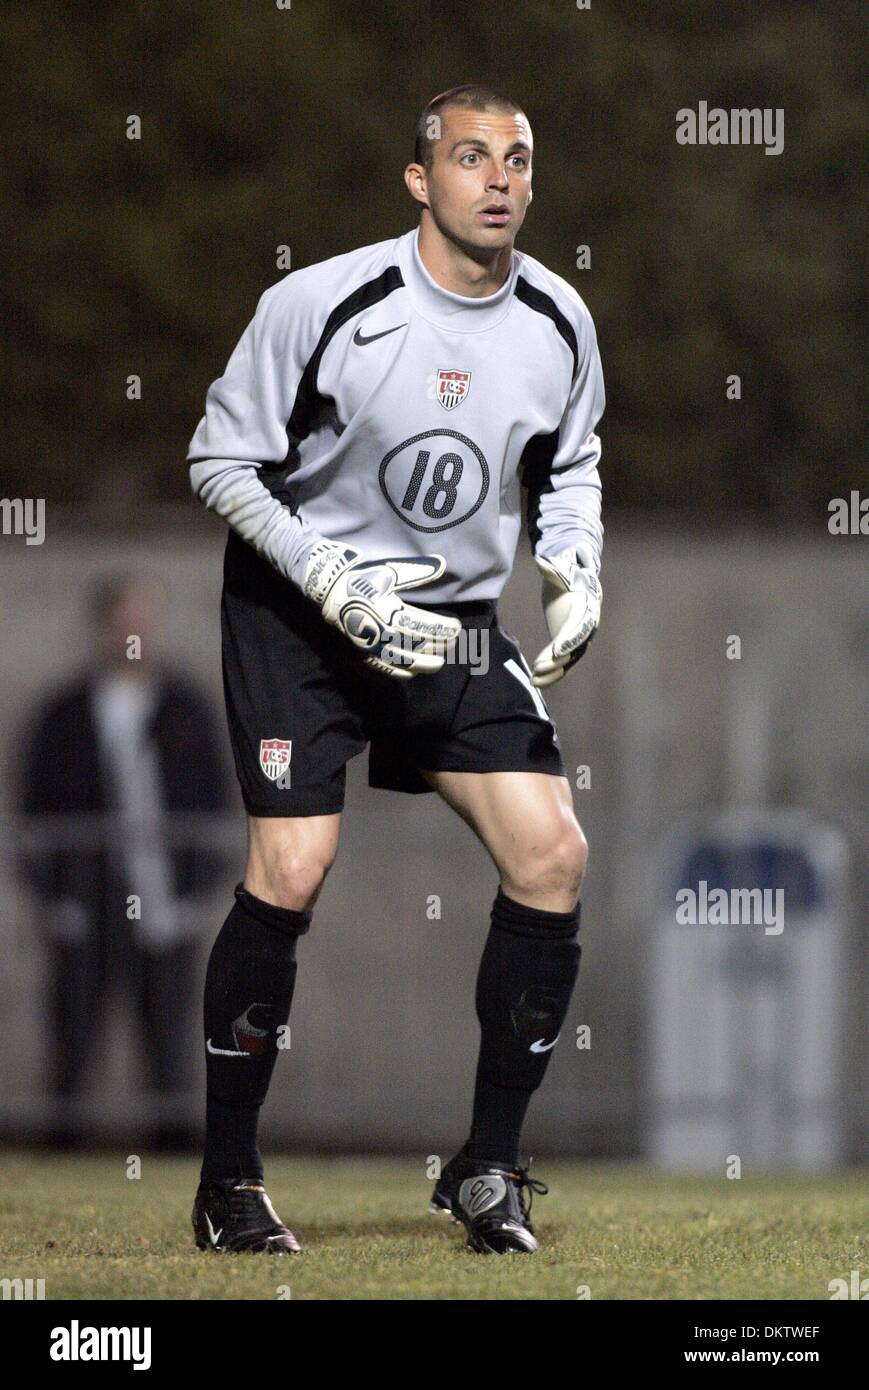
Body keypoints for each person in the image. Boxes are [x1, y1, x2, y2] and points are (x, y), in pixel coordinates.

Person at [186, 84, 605, 1255]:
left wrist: (572, 562)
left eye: (517, 158)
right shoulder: (321, 302)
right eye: (470, 157)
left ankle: (485, 1170)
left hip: (451, 620)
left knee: (552, 853)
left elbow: (570, 459)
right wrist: (326, 575)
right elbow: (220, 457)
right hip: (299, 613)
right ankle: (227, 1184)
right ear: (420, 179)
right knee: (294, 860)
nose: (499, 178)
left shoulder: (559, 317)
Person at [18, 575, 229, 1151]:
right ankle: (59, 1173)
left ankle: (178, 1171)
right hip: (88, 914)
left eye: (146, 617)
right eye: (124, 618)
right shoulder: (63, 716)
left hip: (166, 915)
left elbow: (213, 806)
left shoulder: (187, 710)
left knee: (170, 1052)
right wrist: (58, 903)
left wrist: (190, 898)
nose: (136, 631)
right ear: (102, 627)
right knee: (73, 1050)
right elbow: (35, 819)